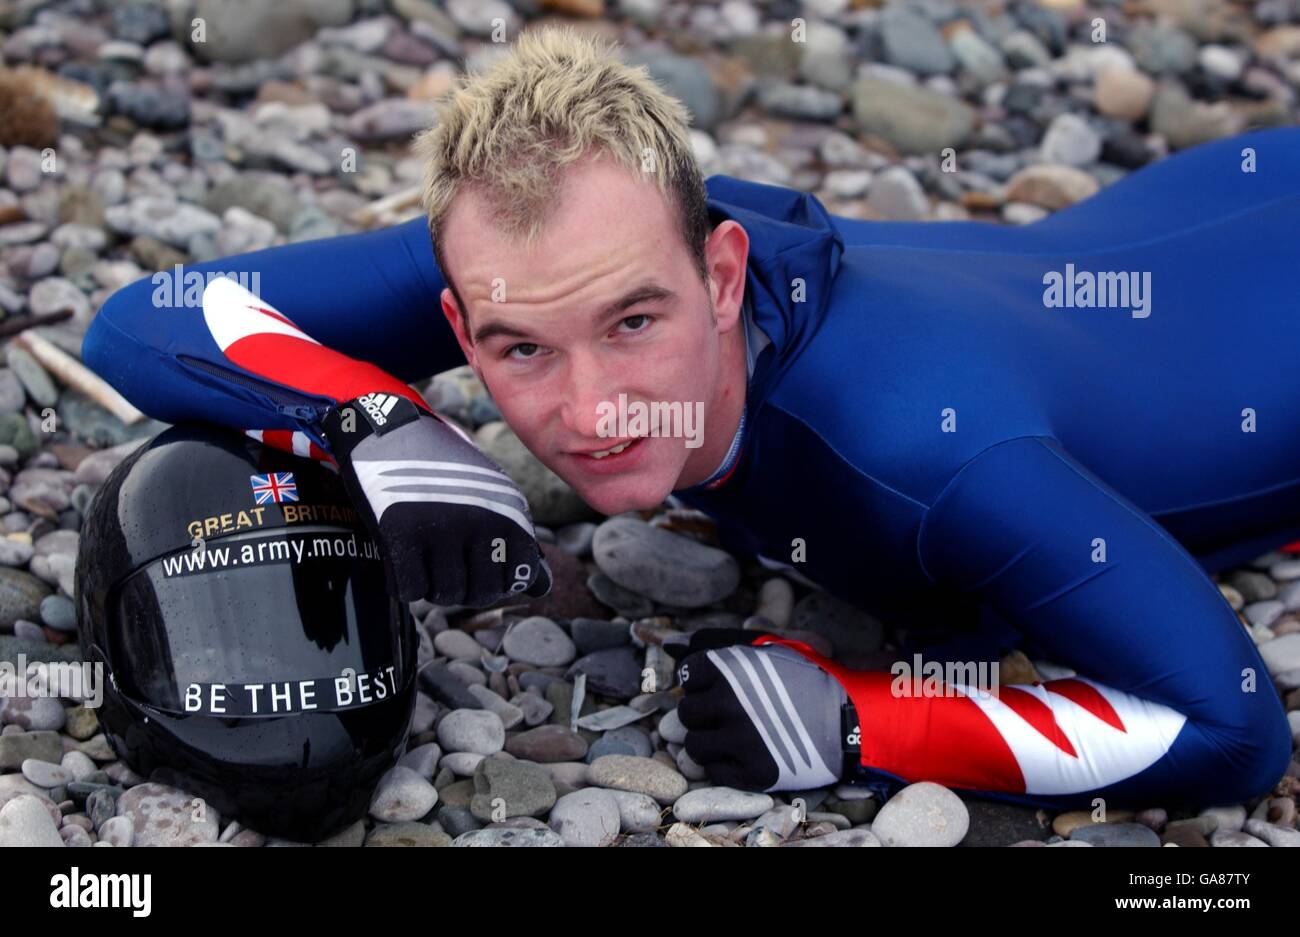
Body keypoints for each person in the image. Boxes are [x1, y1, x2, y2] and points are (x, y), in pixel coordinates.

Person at [83, 26, 1297, 812]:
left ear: (722, 272)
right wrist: (373, 419)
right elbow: (142, 321)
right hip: (1184, 211)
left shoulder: (927, 455)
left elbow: (1232, 729)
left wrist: (861, 717)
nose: (593, 413)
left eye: (633, 325)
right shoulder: (553, 235)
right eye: (517, 350)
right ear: (458, 322)